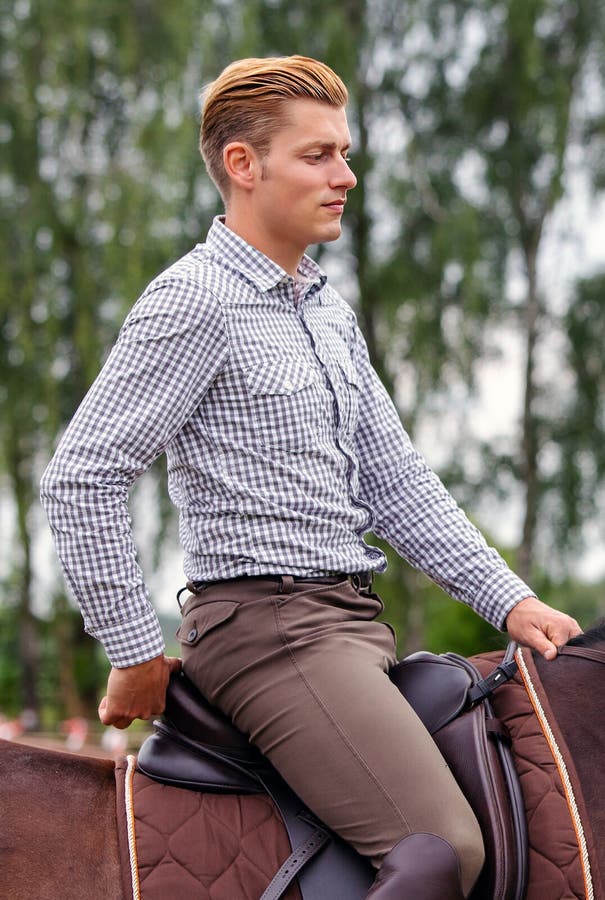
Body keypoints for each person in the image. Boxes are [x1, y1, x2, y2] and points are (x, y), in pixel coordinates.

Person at [40, 55, 581, 898]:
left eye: (346, 153)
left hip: (351, 624)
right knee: (440, 847)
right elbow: (82, 476)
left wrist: (510, 601)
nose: (345, 176)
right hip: (270, 634)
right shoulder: (193, 300)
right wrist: (133, 646)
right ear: (242, 164)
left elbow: (395, 483)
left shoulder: (327, 309)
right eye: (318, 155)